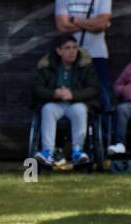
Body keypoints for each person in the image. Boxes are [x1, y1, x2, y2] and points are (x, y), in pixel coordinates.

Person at [32, 34, 99, 167]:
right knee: (47, 109)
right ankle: (47, 152)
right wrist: (54, 93)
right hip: (55, 103)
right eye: (67, 48)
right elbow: (36, 88)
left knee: (80, 109)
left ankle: (77, 151)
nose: (72, 51)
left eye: (74, 47)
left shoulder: (85, 65)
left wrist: (72, 94)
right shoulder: (47, 66)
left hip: (76, 103)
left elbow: (93, 88)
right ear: (59, 51)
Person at [55, 0, 112, 112]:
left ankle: (105, 127)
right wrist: (91, 24)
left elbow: (100, 24)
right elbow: (62, 27)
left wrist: (74, 20)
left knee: (102, 93)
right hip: (71, 55)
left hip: (97, 54)